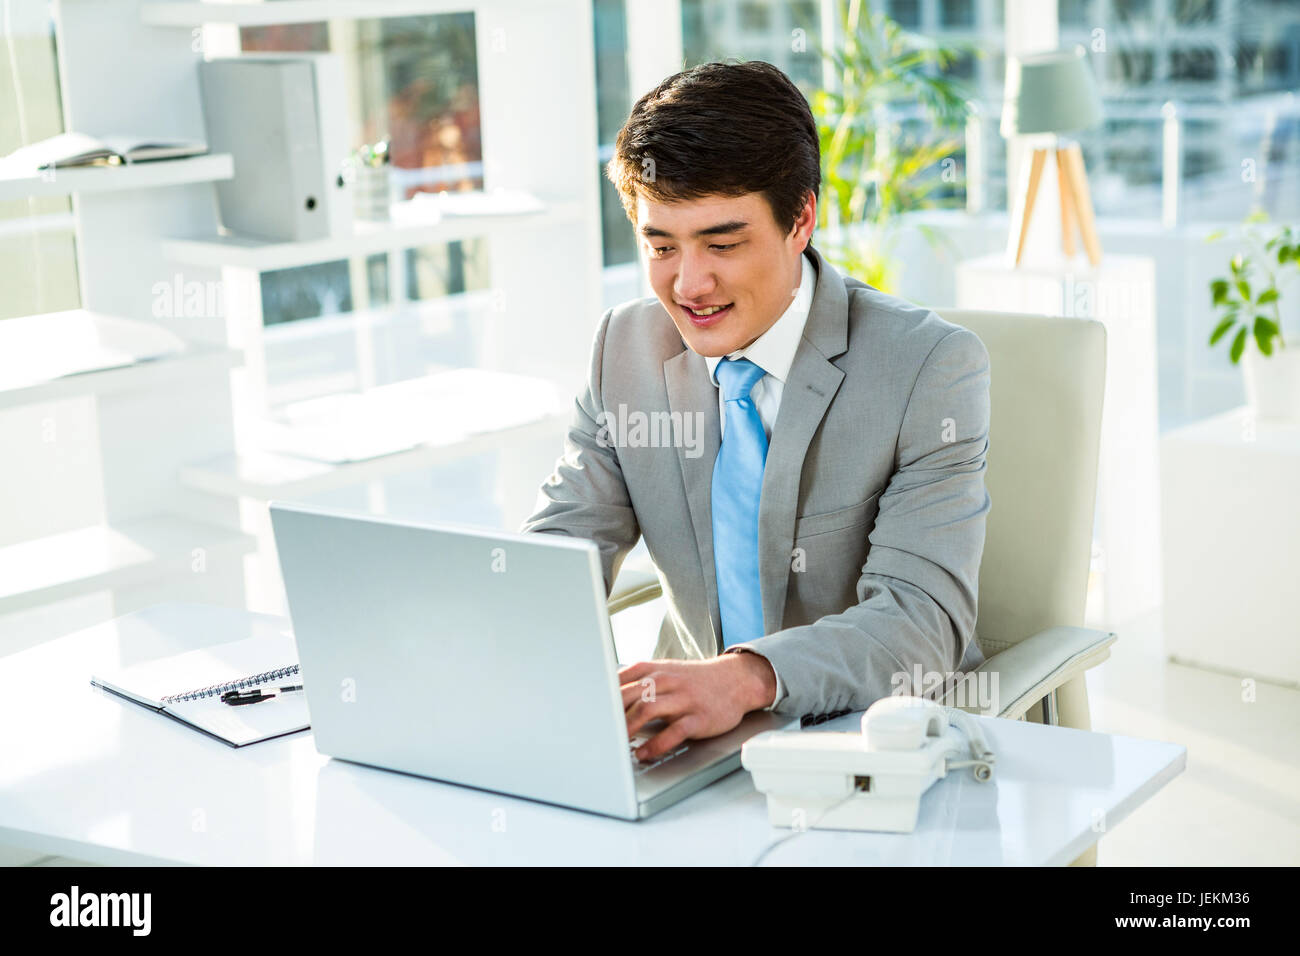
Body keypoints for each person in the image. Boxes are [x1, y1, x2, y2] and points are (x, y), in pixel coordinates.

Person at [522, 60, 990, 762]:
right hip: (686, 748)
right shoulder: (622, 349)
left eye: (722, 243)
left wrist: (744, 679)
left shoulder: (928, 368)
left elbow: (919, 623)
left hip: (875, 745)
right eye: (660, 246)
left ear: (800, 218)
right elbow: (559, 551)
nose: (689, 284)